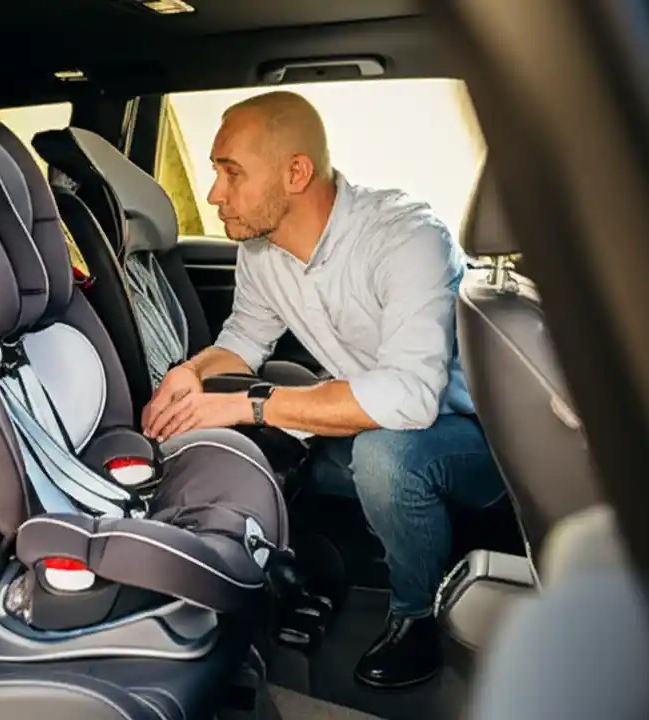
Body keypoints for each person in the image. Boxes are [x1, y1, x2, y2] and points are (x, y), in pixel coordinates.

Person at [141, 91, 505, 689]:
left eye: (231, 173)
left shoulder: (407, 239)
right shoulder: (262, 252)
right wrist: (192, 371)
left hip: (473, 439)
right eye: (215, 172)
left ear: (296, 172)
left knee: (382, 455)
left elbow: (410, 400)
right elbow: (245, 340)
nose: (213, 194)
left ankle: (418, 620)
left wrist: (248, 404)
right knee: (287, 440)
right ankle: (300, 570)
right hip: (379, 418)